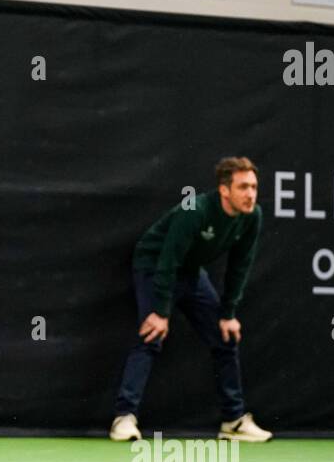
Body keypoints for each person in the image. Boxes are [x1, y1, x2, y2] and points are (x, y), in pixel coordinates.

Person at [109, 157, 272, 443]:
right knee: (151, 336)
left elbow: (240, 265)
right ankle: (124, 418)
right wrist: (160, 311)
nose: (250, 194)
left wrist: (228, 312)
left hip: (192, 273)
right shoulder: (194, 210)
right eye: (243, 187)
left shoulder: (252, 216)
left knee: (225, 338)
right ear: (224, 190)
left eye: (254, 187)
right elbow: (168, 259)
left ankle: (233, 421)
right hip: (154, 264)